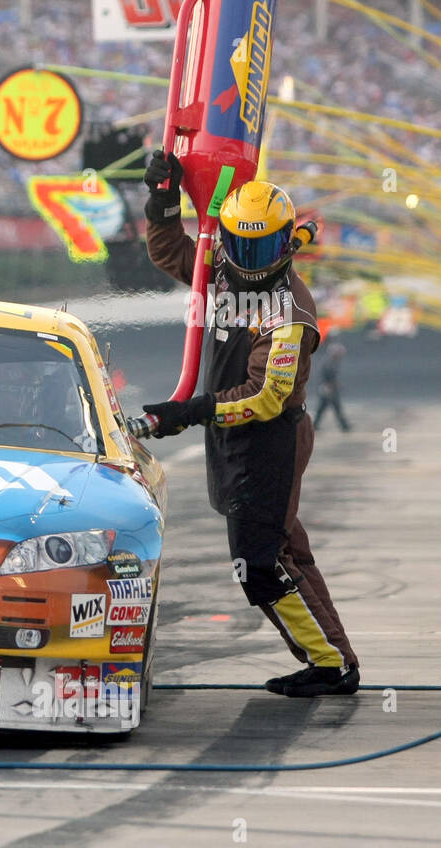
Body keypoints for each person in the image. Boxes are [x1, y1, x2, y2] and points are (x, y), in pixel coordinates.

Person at [141, 152, 359, 697]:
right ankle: (332, 658)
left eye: (262, 247)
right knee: (285, 552)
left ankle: (331, 665)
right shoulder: (222, 266)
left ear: (285, 245)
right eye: (240, 243)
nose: (249, 258)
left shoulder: (290, 312)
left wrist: (188, 412)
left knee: (258, 564)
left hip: (272, 439)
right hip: (234, 434)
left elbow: (264, 399)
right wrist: (164, 200)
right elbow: (172, 251)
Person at [313, 340, 351, 432]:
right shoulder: (329, 363)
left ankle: (315, 425)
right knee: (333, 408)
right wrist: (330, 385)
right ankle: (344, 426)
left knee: (324, 408)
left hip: (329, 389)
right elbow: (326, 376)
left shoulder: (332, 362)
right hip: (328, 389)